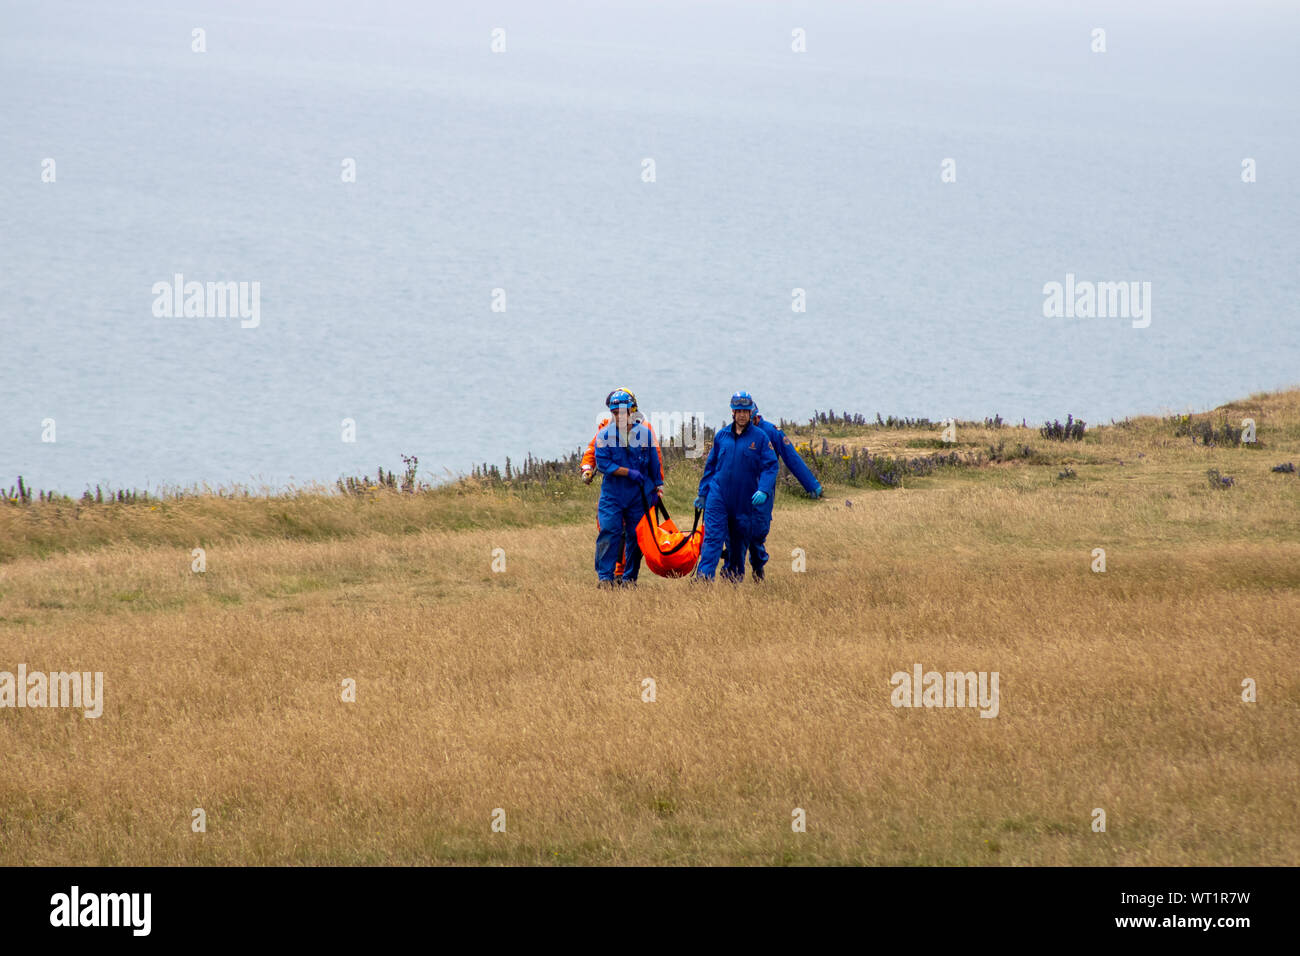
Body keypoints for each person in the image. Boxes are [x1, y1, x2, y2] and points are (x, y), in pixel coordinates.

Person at [693, 391, 779, 582]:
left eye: (745, 411)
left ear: (751, 413)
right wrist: (703, 493)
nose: (741, 414)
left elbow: (771, 466)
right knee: (713, 538)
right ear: (732, 411)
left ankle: (733, 579)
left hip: (744, 500)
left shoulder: (761, 438)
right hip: (718, 497)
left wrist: (764, 490)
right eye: (738, 410)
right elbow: (711, 467)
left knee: (737, 544)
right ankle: (704, 579)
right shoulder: (721, 436)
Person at [582, 387, 663, 577]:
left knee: (636, 536)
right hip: (613, 493)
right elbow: (595, 455)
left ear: (632, 410)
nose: (620, 416)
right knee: (610, 531)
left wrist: (658, 487)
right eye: (615, 412)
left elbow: (655, 459)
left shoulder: (645, 431)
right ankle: (606, 578)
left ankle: (629, 578)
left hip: (638, 494)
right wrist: (586, 469)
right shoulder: (604, 431)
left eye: (624, 411)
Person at [744, 399, 823, 580]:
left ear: (755, 416)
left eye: (749, 416)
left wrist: (812, 486)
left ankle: (758, 568)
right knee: (736, 530)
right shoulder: (736, 432)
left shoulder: (772, 432)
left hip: (764, 490)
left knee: (757, 532)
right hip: (740, 488)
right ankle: (733, 574)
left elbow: (792, 459)